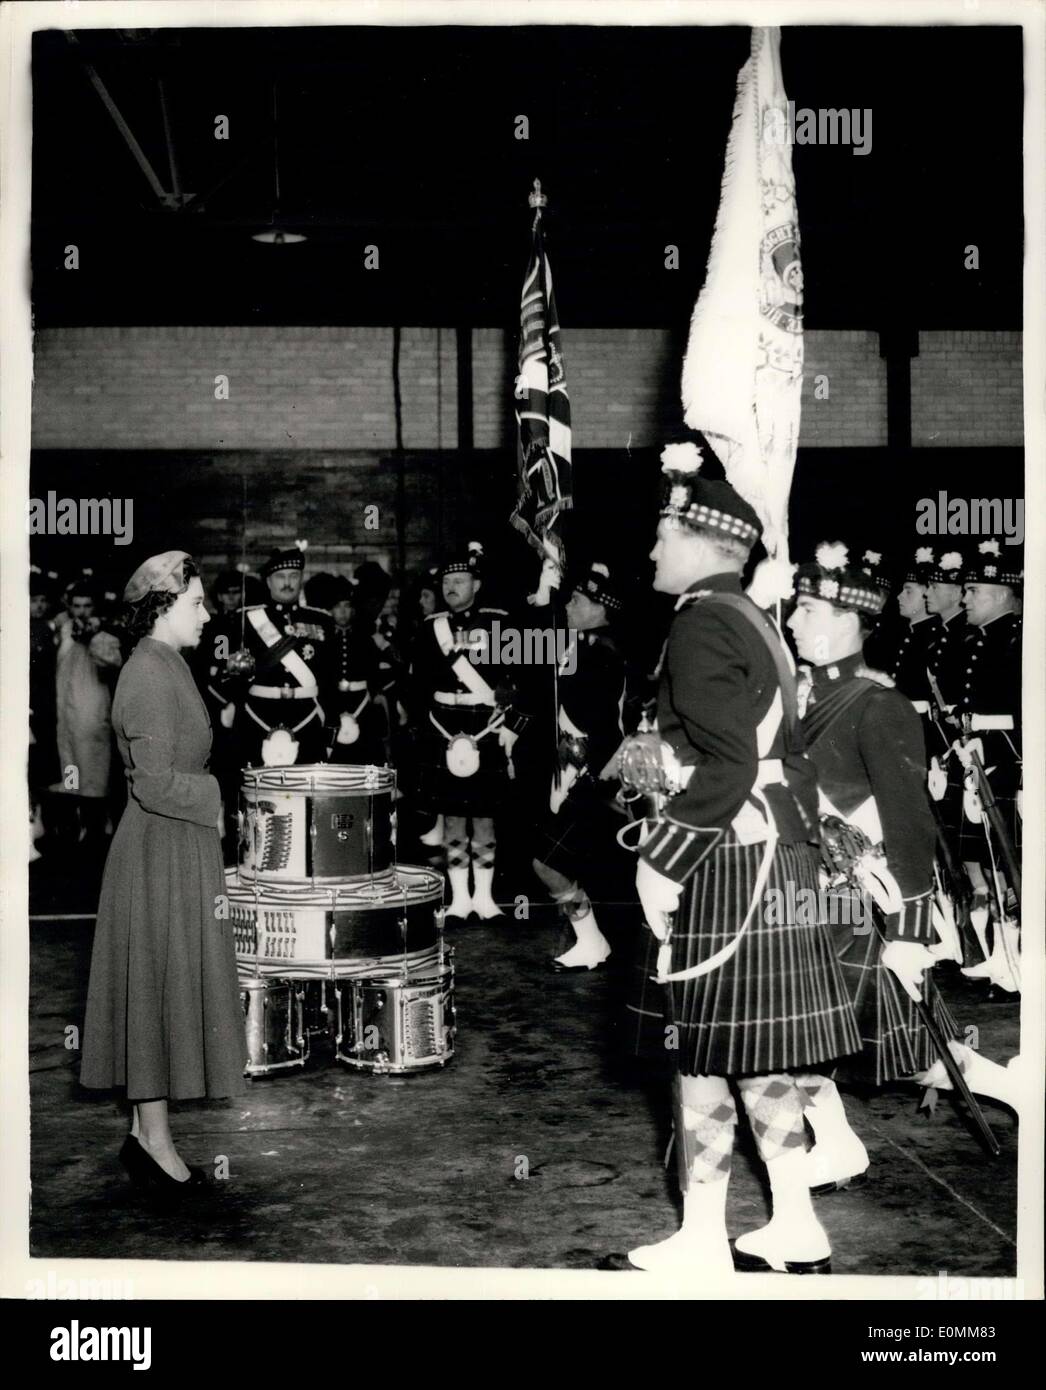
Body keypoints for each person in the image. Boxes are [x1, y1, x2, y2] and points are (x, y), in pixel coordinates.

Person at [606, 443, 860, 1277]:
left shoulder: (703, 621)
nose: (650, 550)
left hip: (727, 859)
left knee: (700, 1055)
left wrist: (662, 859)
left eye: (660, 535)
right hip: (770, 853)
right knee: (755, 1059)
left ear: (701, 543)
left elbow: (729, 766)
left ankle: (705, 1238)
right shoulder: (750, 617)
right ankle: (790, 1223)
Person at [785, 543, 1022, 1194]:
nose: (795, 621)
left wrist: (914, 935)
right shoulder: (799, 694)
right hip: (808, 894)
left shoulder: (877, 703)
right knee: (794, 1036)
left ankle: (1018, 1090)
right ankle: (833, 1143)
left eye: (808, 609)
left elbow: (910, 822)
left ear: (848, 620)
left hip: (863, 903)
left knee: (913, 1053)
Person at [80, 551, 246, 1194]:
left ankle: (147, 1136)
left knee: (157, 989)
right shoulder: (148, 673)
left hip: (175, 847)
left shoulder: (164, 663)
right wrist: (217, 803)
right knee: (157, 988)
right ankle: (154, 1143)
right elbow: (151, 783)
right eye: (198, 604)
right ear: (163, 607)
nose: (207, 615)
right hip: (160, 851)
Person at [408, 541, 527, 923]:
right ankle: (459, 897)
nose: (452, 588)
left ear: (477, 584)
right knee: (455, 815)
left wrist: (513, 720)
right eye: (447, 582)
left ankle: (486, 897)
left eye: (460, 581)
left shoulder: (500, 622)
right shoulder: (430, 629)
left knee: (486, 815)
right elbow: (417, 687)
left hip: (486, 727)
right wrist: (423, 731)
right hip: (445, 727)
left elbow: (524, 679)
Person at [531, 562, 625, 971]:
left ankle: (593, 941)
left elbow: (605, 721)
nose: (569, 603)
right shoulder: (581, 645)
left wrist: (587, 769)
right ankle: (592, 941)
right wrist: (543, 598)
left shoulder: (604, 652)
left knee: (548, 861)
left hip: (594, 774)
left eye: (577, 599)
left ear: (601, 607)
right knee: (558, 860)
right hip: (572, 770)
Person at [948, 540, 1023, 998]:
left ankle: (1017, 965)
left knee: (1011, 867)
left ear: (999, 592)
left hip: (1008, 761)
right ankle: (1003, 959)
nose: (966, 598)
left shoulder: (1018, 638)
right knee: (993, 865)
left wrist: (982, 727)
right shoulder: (981, 640)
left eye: (974, 589)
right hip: (983, 759)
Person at [208, 541, 336, 768]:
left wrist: (329, 731)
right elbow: (222, 675)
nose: (287, 583)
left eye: (293, 576)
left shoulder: (322, 621)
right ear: (268, 581)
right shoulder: (245, 620)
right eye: (280, 577)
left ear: (301, 579)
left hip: (308, 720)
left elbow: (329, 681)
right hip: (257, 719)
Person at [50, 576, 123, 849]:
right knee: (71, 773)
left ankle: (95, 835)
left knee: (94, 775)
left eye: (87, 606)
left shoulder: (104, 636)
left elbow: (112, 662)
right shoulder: (63, 629)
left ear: (95, 607)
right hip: (66, 716)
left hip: (91, 717)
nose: (82, 611)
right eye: (77, 605)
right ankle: (75, 827)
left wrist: (93, 636)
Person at [327, 575, 388, 766]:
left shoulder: (365, 639)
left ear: (353, 610)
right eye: (338, 607)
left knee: (366, 750)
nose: (343, 612)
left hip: (361, 701)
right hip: (333, 700)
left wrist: (375, 693)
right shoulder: (325, 640)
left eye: (347, 606)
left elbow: (374, 672)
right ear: (331, 610)